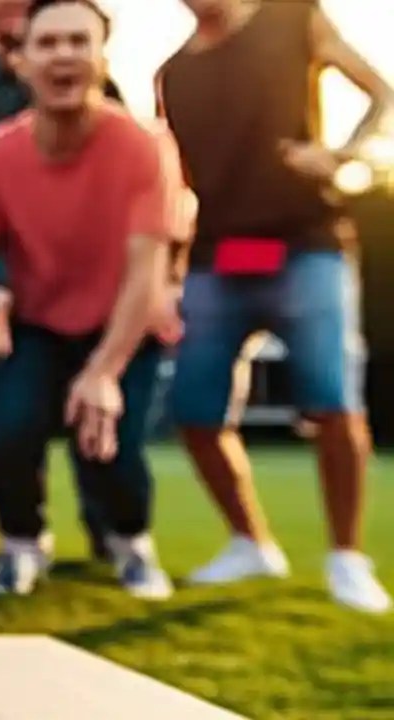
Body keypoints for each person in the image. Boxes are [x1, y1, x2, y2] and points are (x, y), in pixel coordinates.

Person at [159, 0, 392, 613]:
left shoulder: (294, 18)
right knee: (194, 408)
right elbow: (177, 180)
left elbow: (380, 92)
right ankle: (250, 542)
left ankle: (347, 557)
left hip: (305, 246)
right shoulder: (172, 74)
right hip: (216, 257)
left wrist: (343, 156)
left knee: (332, 398)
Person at [0, 0, 181, 599]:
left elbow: (145, 271)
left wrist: (103, 371)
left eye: (79, 42)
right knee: (6, 431)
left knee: (112, 448)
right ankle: (21, 545)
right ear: (19, 60)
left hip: (123, 321)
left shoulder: (143, 147)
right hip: (32, 322)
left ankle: (131, 543)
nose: (64, 56)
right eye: (48, 43)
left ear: (102, 55)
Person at [0, 0, 122, 562]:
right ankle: (22, 537)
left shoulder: (90, 71)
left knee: (98, 415)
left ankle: (112, 531)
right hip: (5, 275)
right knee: (11, 421)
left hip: (92, 271)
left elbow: (120, 165)